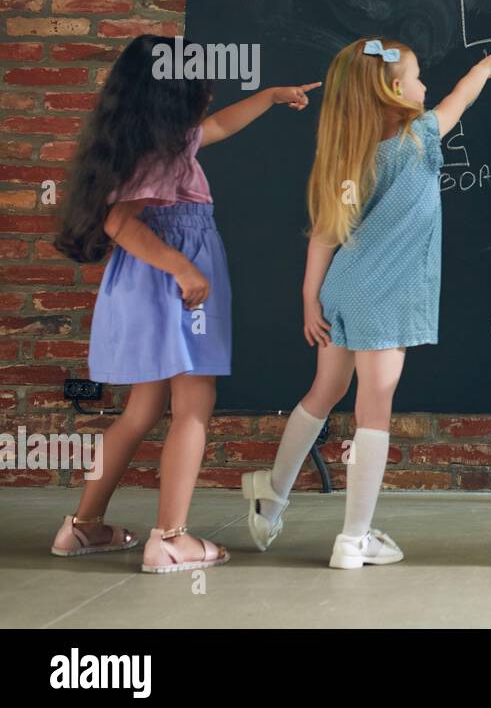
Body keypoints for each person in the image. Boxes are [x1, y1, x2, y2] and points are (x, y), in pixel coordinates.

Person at [51, 34, 318, 572]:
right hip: (172, 287)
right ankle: (170, 539)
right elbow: (119, 223)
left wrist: (269, 96)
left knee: (142, 410)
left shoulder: (153, 142)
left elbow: (217, 127)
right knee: (193, 405)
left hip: (149, 285)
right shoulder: (162, 155)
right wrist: (183, 267)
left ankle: (81, 528)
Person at [240, 38, 491, 569]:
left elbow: (322, 237)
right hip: (386, 301)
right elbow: (459, 97)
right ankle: (352, 538)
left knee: (325, 391)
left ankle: (271, 494)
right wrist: (486, 68)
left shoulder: (348, 155)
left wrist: (309, 301)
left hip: (342, 290)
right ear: (393, 89)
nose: (424, 86)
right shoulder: (419, 138)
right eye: (416, 77)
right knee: (374, 409)